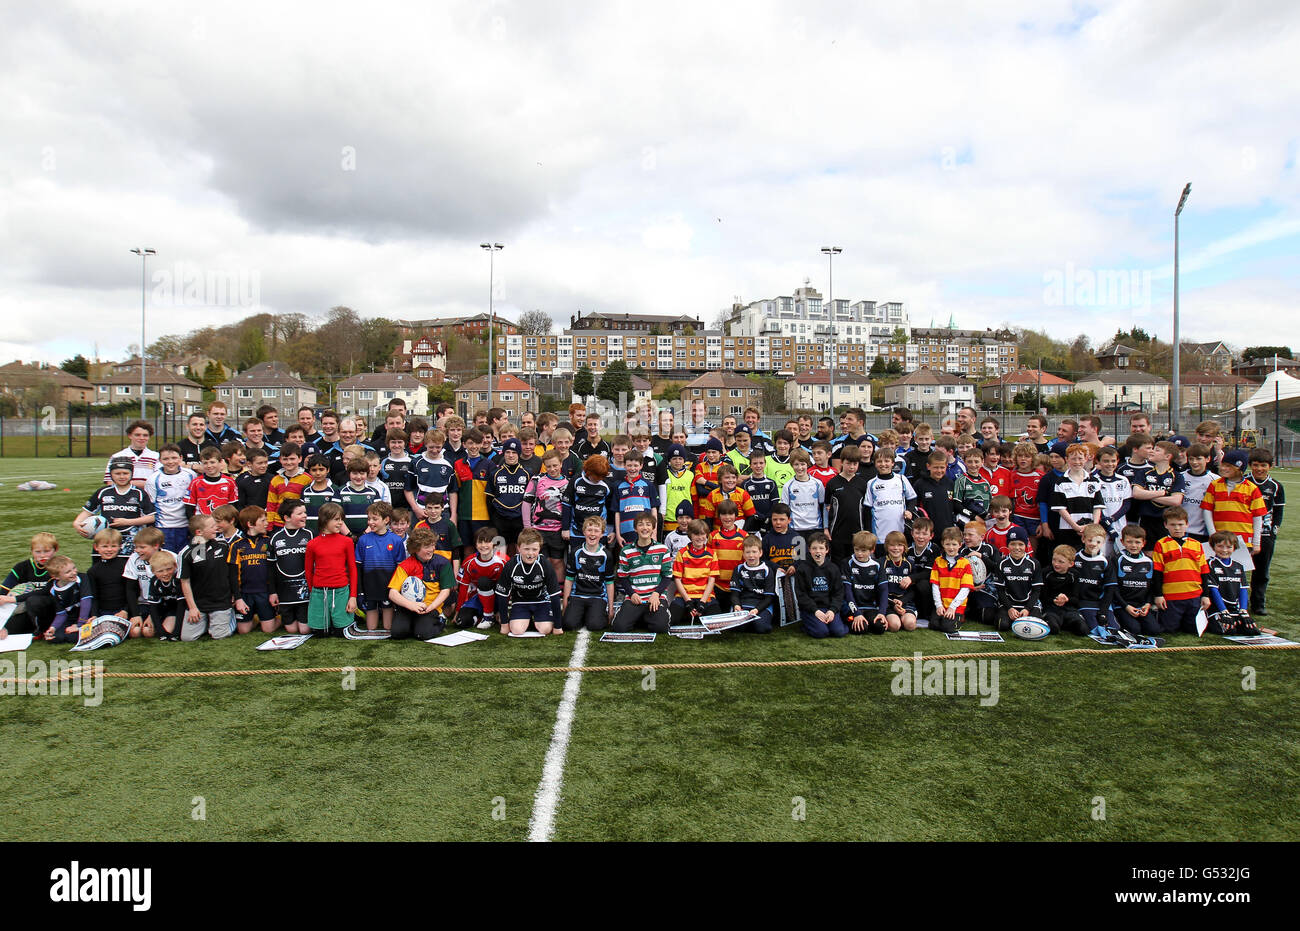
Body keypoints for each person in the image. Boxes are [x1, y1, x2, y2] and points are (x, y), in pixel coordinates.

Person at [1151, 507, 1211, 635]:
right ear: (1165, 525)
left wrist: (1205, 595)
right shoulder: (1161, 544)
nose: (1177, 528)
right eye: (1173, 525)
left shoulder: (1196, 544)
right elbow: (1157, 573)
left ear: (1187, 524)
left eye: (1180, 524)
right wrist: (1158, 595)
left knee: (1193, 630)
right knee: (1168, 630)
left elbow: (1204, 572)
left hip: (1193, 596)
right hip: (1171, 597)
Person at [387, 527, 455, 641]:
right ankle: (414, 623)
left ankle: (440, 620)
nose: (432, 549)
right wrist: (411, 605)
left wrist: (431, 607)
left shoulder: (442, 563)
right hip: (408, 607)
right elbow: (392, 593)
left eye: (433, 545)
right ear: (416, 548)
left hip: (429, 607)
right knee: (397, 633)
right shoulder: (406, 565)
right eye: (427, 546)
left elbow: (445, 590)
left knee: (422, 634)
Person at [495, 529, 564, 636]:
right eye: (526, 549)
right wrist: (504, 624)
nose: (530, 553)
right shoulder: (511, 565)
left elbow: (554, 595)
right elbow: (502, 595)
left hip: (541, 601)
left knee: (545, 629)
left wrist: (558, 626)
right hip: (520, 601)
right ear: (518, 548)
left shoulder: (545, 564)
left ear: (540, 549)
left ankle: (538, 620)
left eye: (534, 549)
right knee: (517, 631)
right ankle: (525, 619)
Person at [77, 457, 156, 549]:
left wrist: (126, 522)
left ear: (131, 474)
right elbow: (87, 512)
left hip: (130, 540)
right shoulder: (103, 492)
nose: (122, 477)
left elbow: (151, 517)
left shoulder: (139, 493)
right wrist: (77, 523)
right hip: (105, 540)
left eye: (125, 473)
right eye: (117, 473)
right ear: (111, 474)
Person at [305, 503, 358, 637]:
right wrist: (313, 593)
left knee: (342, 632)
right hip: (319, 593)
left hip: (341, 592)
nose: (340, 523)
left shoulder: (347, 542)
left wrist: (352, 597)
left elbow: (352, 569)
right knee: (320, 633)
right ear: (324, 520)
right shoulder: (312, 544)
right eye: (336, 519)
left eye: (341, 519)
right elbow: (308, 570)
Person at [613, 513, 672, 633]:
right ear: (635, 528)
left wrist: (656, 594)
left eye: (648, 524)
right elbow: (623, 577)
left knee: (661, 627)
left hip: (655, 596)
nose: (644, 528)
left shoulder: (663, 549)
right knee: (619, 627)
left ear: (653, 528)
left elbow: (667, 576)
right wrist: (632, 594)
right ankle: (639, 615)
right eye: (640, 525)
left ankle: (647, 616)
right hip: (636, 597)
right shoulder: (626, 550)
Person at [178, 514, 233, 641]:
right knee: (188, 638)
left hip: (221, 602)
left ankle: (229, 617)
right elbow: (185, 582)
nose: (216, 528)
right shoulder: (186, 553)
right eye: (212, 526)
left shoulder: (223, 545)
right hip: (199, 604)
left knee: (219, 636)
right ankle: (207, 622)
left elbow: (231, 572)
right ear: (199, 532)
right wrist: (192, 608)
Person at [355, 501, 406, 633]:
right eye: (369, 518)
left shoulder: (396, 541)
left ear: (386, 520)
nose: (370, 522)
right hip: (369, 586)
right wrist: (359, 591)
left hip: (388, 587)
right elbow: (358, 568)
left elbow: (400, 570)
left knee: (388, 627)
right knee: (371, 628)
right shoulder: (363, 540)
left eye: (375, 519)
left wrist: (396, 590)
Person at [562, 516, 616, 632]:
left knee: (595, 625)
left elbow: (610, 582)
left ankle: (594, 613)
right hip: (578, 595)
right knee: (568, 624)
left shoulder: (606, 555)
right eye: (589, 530)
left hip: (598, 597)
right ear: (584, 532)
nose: (592, 534)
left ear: (602, 534)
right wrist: (565, 605)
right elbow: (569, 579)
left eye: (596, 531)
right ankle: (580, 612)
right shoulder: (576, 552)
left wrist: (611, 609)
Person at [268, 499, 313, 635]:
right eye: (299, 513)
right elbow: (270, 569)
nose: (304, 515)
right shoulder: (275, 538)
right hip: (284, 591)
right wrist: (272, 592)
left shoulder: (309, 534)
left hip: (304, 591)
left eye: (305, 512)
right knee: (292, 630)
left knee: (304, 630)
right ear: (287, 518)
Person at [229, 506, 277, 635]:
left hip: (264, 592)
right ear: (250, 524)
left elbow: (272, 570)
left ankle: (276, 617)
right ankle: (255, 618)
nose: (266, 523)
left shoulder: (268, 541)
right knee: (243, 631)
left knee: (268, 630)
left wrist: (273, 592)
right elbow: (232, 574)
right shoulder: (237, 545)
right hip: (245, 594)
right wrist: (238, 598)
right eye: (262, 520)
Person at [0, 532, 58, 637]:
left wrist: (14, 599)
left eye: (47, 551)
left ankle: (42, 630)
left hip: (54, 610)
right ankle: (33, 627)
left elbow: (45, 592)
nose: (42, 555)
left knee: (34, 600)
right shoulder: (22, 567)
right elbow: (4, 590)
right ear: (31, 551)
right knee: (6, 631)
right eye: (38, 552)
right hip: (28, 611)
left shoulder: (59, 567)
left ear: (55, 550)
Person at [1247, 448, 1283, 616]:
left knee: (1261, 571)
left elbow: (1278, 512)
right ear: (1249, 466)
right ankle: (1233, 603)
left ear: (1270, 466)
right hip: (1244, 533)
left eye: (1263, 465)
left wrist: (1274, 531)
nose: (1259, 469)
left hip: (1265, 534)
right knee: (1236, 569)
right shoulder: (1244, 482)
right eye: (1255, 465)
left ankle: (1258, 604)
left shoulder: (1276, 486)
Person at [1204, 531, 1258, 636]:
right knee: (1230, 631)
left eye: (1229, 547)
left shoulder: (1238, 566)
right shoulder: (1209, 564)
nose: (1224, 550)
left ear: (1234, 548)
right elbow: (1213, 590)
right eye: (1220, 546)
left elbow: (1243, 589)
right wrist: (1223, 611)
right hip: (1217, 609)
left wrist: (1243, 611)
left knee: (1252, 631)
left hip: (1234, 609)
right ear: (1213, 546)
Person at [795, 532, 847, 639]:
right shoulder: (802, 569)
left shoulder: (833, 568)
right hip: (812, 609)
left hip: (828, 608)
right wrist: (815, 611)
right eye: (814, 548)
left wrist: (832, 610)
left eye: (821, 548)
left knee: (838, 632)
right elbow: (801, 595)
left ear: (826, 550)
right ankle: (807, 625)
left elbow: (838, 593)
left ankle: (837, 621)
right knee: (821, 632)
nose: (818, 551)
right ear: (809, 550)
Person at [670, 520, 721, 626]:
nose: (700, 537)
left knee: (715, 623)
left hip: (705, 596)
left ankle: (697, 612)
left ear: (706, 535)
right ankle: (690, 612)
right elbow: (677, 579)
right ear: (690, 535)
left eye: (702, 534)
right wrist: (688, 602)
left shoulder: (712, 554)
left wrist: (702, 602)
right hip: (684, 595)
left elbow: (712, 580)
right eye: (696, 534)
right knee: (672, 620)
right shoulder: (682, 553)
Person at [455, 527, 507, 630]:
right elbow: (463, 588)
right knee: (461, 622)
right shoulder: (469, 562)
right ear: (475, 544)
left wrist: (503, 611)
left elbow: (507, 588)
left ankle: (488, 617)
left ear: (494, 544)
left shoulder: (503, 561)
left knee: (483, 581)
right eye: (480, 542)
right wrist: (457, 611)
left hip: (498, 598)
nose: (483, 546)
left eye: (487, 542)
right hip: (477, 598)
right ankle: (482, 616)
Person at [994, 525, 1041, 632]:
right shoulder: (1001, 564)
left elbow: (1036, 591)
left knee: (1034, 628)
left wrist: (1027, 609)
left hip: (1029, 604)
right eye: (1013, 544)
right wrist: (1010, 608)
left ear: (1026, 545)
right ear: (1008, 545)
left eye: (1020, 544)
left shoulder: (1034, 564)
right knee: (1002, 626)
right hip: (1009, 604)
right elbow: (1000, 591)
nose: (1016, 548)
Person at [1112, 525, 1156, 636]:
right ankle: (1115, 619)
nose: (1133, 545)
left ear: (1143, 543)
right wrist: (1126, 606)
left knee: (1153, 630)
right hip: (1122, 605)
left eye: (1137, 542)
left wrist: (1148, 604)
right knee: (1134, 629)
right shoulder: (1117, 559)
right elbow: (1113, 587)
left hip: (1141, 606)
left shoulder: (1149, 561)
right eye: (1129, 542)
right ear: (1122, 542)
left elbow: (1152, 587)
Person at [928, 527, 974, 633]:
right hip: (943, 604)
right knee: (933, 624)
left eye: (954, 544)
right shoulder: (938, 561)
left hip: (956, 606)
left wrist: (953, 607)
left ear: (960, 545)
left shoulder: (965, 563)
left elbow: (965, 589)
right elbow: (935, 585)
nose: (951, 548)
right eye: (948, 544)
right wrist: (939, 605)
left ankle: (961, 616)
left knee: (947, 628)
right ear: (943, 544)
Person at [843, 531, 888, 635]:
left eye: (863, 551)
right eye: (856, 550)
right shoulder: (847, 563)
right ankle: (846, 620)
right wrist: (856, 613)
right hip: (853, 608)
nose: (859, 553)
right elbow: (847, 592)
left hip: (870, 607)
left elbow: (884, 590)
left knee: (879, 628)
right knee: (861, 629)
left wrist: (882, 613)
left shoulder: (878, 565)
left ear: (872, 550)